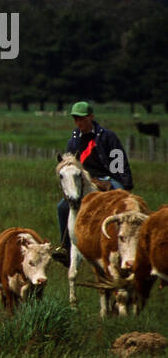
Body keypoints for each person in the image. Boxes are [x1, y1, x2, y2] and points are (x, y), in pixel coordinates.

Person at [53, 100, 132, 265]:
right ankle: (66, 248)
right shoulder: (73, 140)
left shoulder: (108, 137)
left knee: (123, 199)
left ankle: (129, 241)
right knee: (62, 207)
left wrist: (122, 184)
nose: (78, 123)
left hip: (108, 178)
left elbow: (119, 163)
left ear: (91, 117)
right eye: (76, 119)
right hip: (84, 181)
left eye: (82, 119)